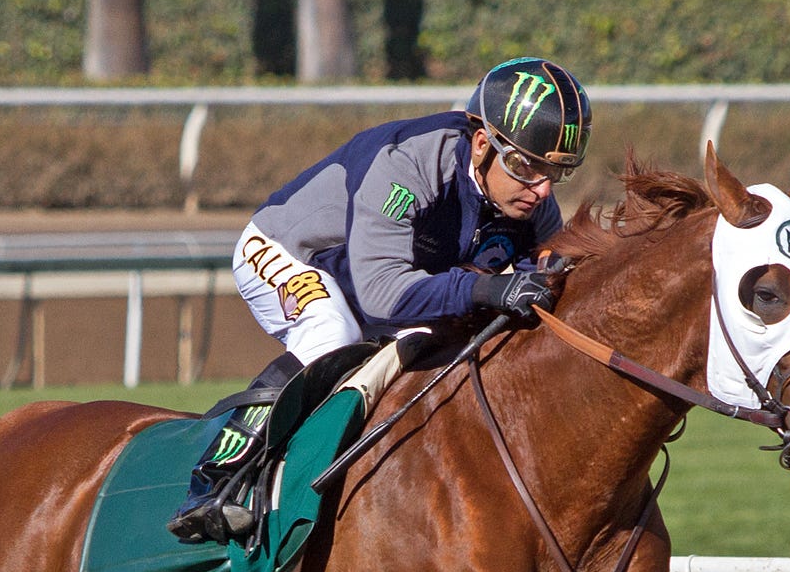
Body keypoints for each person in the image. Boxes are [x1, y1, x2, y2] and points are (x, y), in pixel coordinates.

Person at [166, 57, 593, 544]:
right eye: (525, 167)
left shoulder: (529, 199)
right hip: (289, 250)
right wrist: (488, 288)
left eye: (556, 173)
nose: (540, 190)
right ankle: (212, 479)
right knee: (332, 335)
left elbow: (555, 269)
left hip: (369, 275)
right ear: (481, 145)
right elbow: (383, 296)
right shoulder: (408, 164)